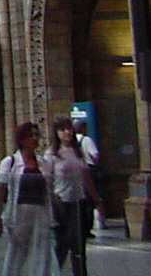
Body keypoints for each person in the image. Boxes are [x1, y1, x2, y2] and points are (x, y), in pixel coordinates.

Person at [0, 123, 52, 276]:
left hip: (40, 213)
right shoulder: (10, 162)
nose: (35, 138)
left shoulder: (43, 163)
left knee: (42, 250)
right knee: (17, 252)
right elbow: (0, 190)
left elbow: (49, 189)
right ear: (22, 139)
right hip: (19, 213)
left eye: (36, 135)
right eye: (30, 135)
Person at [45, 117, 99, 276]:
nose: (67, 132)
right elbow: (47, 180)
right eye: (62, 130)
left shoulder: (77, 151)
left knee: (79, 245)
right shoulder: (52, 154)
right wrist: (54, 201)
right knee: (62, 243)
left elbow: (85, 175)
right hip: (62, 202)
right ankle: (55, 273)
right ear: (56, 133)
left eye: (69, 129)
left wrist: (95, 197)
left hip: (78, 202)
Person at [73, 120, 103, 233]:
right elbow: (95, 155)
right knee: (89, 198)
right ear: (83, 128)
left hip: (75, 172)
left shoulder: (71, 142)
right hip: (89, 170)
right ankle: (88, 227)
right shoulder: (87, 140)